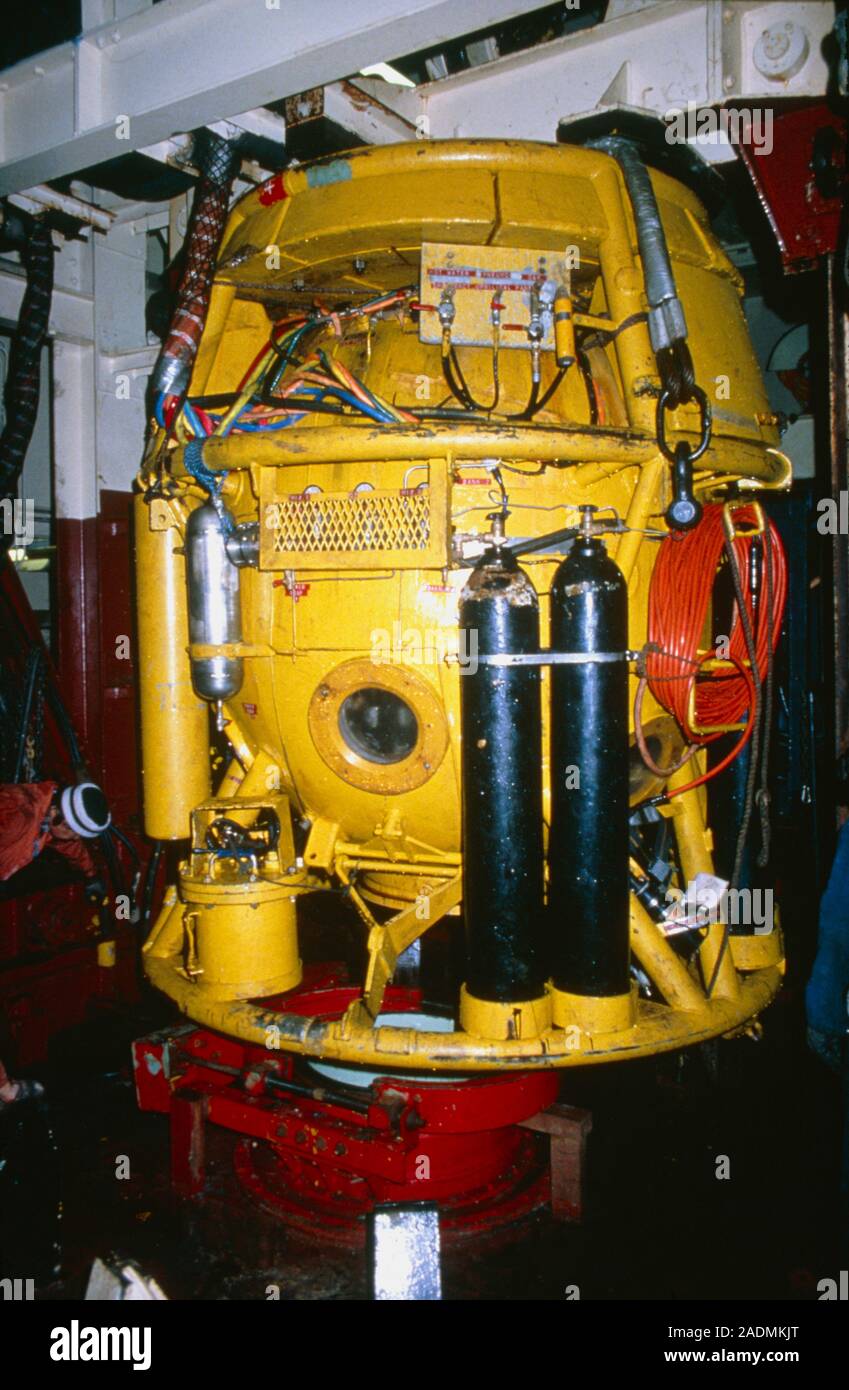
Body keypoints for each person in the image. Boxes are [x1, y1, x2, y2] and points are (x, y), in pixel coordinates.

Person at [0, 780, 110, 1109]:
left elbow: (68, 845)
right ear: (60, 818)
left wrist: (91, 876)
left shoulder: (50, 817)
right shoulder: (13, 809)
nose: (75, 840)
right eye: (75, 832)